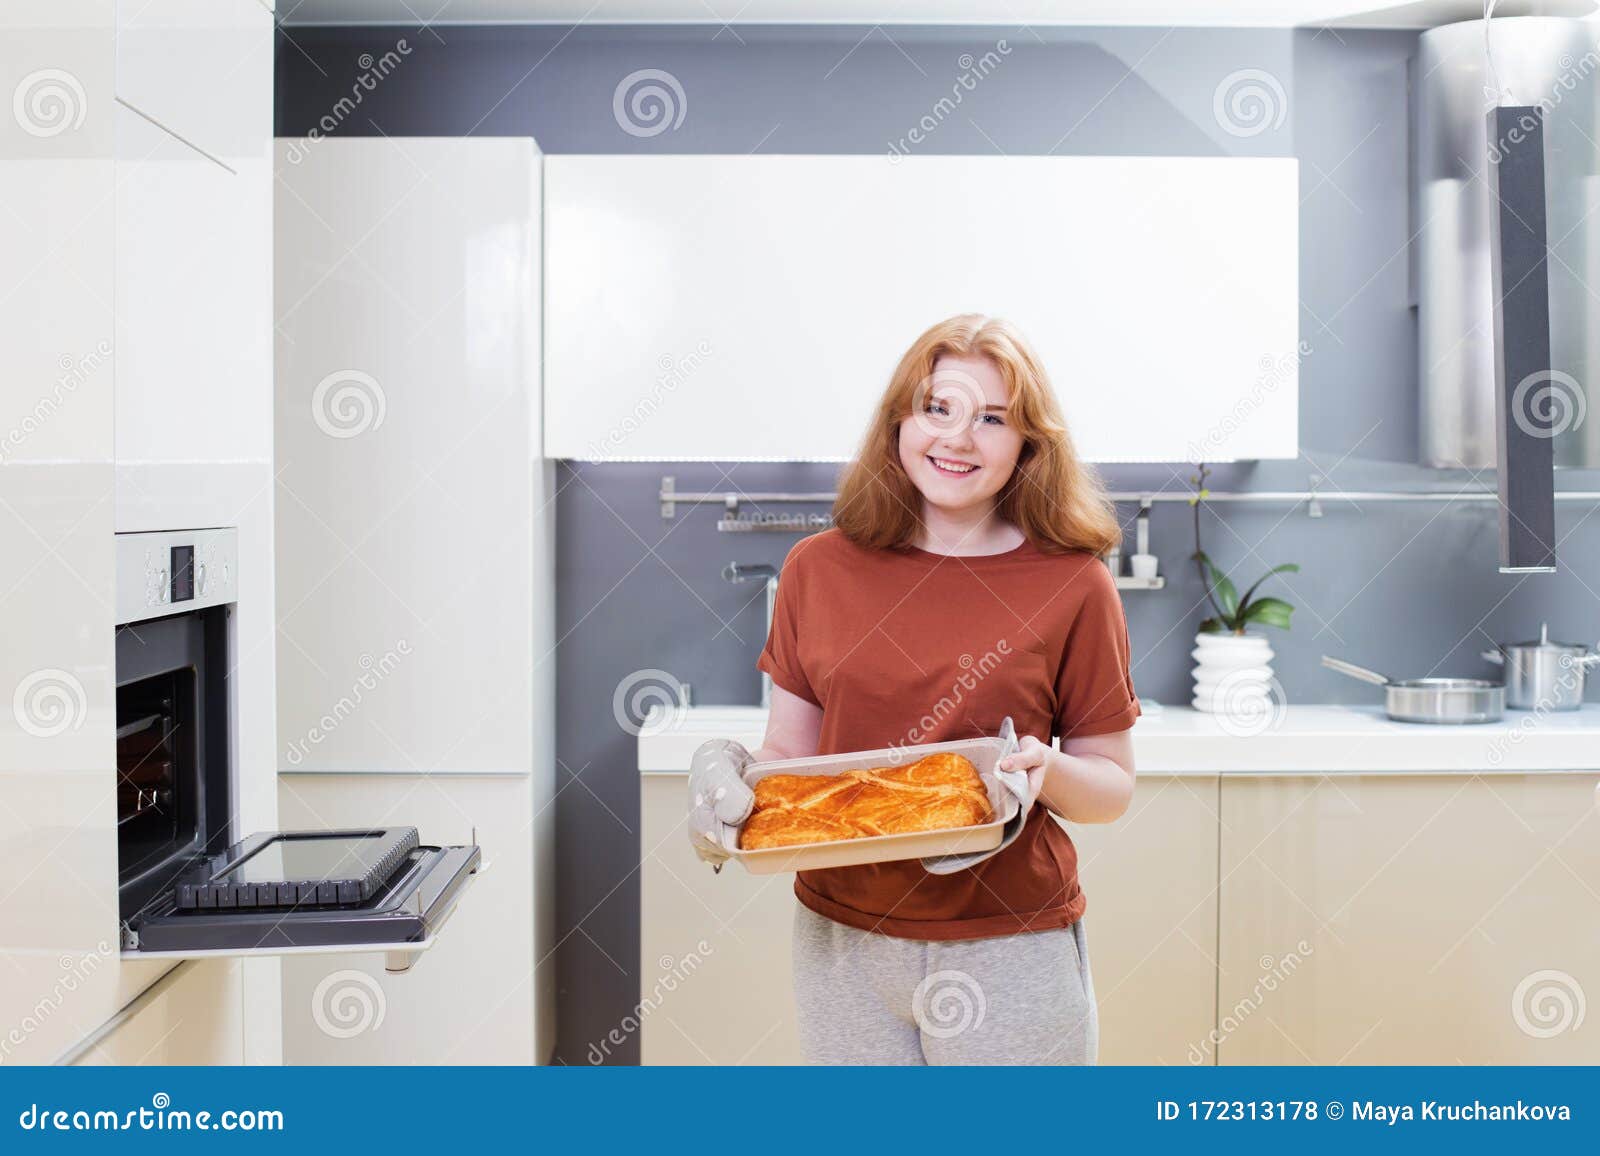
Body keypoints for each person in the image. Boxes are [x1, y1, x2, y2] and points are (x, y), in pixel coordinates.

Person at [688, 314, 1139, 1065]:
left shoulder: (1075, 584)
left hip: (1009, 943)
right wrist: (730, 774)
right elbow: (790, 761)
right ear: (900, 421)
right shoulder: (816, 569)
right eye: (939, 408)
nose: (959, 439)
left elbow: (1112, 787)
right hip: (844, 940)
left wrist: (1046, 771)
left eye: (993, 419)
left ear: (1028, 443)